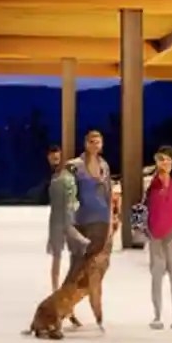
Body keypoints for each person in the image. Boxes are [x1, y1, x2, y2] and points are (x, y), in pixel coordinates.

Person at [63, 130, 114, 329]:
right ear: (85, 143)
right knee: (76, 269)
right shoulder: (75, 166)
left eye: (98, 141)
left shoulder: (104, 166)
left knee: (96, 270)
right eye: (91, 141)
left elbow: (109, 195)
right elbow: (66, 195)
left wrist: (111, 222)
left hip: (101, 223)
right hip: (81, 223)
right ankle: (64, 307)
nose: (95, 144)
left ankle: (98, 313)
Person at [143, 145, 172, 331]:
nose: (165, 162)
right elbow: (142, 206)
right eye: (162, 159)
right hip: (155, 233)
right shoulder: (150, 183)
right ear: (156, 161)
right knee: (156, 274)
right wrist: (144, 229)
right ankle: (157, 315)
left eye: (169, 159)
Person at [45, 144, 88, 292]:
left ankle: (69, 287)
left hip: (69, 218)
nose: (54, 160)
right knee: (57, 256)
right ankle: (56, 290)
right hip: (58, 219)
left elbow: (75, 197)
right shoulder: (56, 176)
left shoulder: (68, 173)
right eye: (52, 158)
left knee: (77, 251)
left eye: (57, 157)